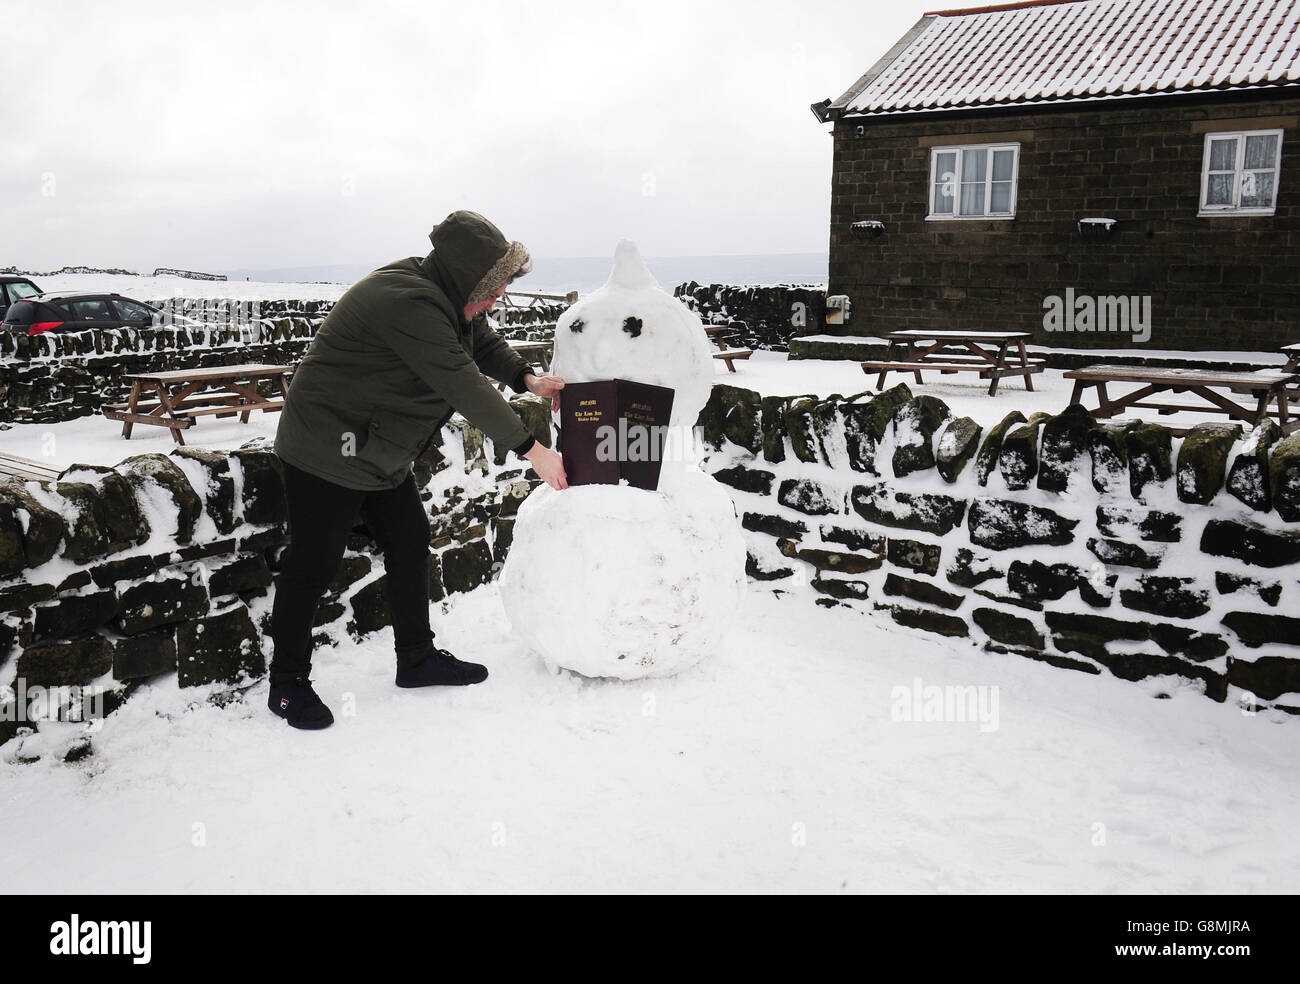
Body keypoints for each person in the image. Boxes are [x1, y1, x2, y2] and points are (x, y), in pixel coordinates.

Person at [268, 210, 568, 730]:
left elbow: (479, 343)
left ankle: (416, 659)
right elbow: (461, 380)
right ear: (467, 278)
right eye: (492, 289)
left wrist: (526, 378)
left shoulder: (444, 293)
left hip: (379, 451)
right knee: (312, 565)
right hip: (325, 446)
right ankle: (286, 685)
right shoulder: (408, 301)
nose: (495, 301)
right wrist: (533, 450)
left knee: (409, 542)